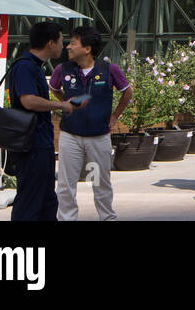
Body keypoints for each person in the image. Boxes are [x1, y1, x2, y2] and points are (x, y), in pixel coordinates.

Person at [48, 26, 132, 221]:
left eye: (73, 43)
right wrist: (65, 104)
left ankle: (107, 217)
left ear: (87, 49)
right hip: (70, 135)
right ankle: (67, 218)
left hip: (99, 136)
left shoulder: (109, 70)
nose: (68, 47)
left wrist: (114, 117)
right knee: (65, 183)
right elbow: (54, 88)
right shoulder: (63, 69)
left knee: (100, 182)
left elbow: (127, 92)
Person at [10, 21, 76, 221]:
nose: (63, 46)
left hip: (41, 143)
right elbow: (28, 101)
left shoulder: (36, 67)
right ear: (50, 43)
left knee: (47, 199)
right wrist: (61, 105)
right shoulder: (24, 67)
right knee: (30, 200)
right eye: (61, 40)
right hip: (30, 146)